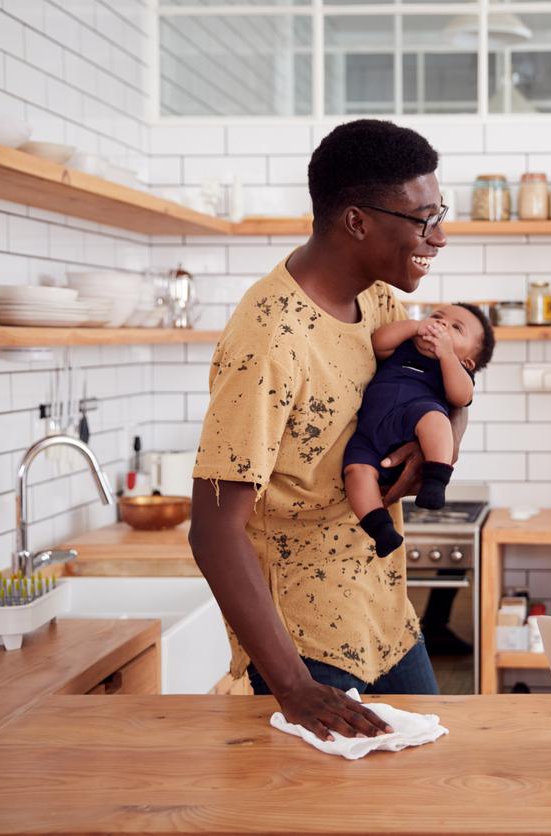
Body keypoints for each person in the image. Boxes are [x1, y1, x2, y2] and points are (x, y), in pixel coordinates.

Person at [188, 119, 460, 740]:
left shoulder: (382, 303)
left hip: (387, 622)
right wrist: (297, 689)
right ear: (358, 221)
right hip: (304, 651)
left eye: (438, 213)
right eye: (423, 219)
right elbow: (211, 528)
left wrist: (432, 452)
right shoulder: (270, 339)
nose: (439, 236)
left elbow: (439, 396)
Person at [344, 302, 495, 557]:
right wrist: (414, 327)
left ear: (467, 362)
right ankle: (379, 528)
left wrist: (447, 355)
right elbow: (377, 342)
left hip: (413, 416)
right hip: (370, 431)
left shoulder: (455, 370)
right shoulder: (403, 346)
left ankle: (436, 481)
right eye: (437, 317)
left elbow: (460, 397)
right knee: (356, 470)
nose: (442, 325)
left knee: (435, 419)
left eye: (456, 328)